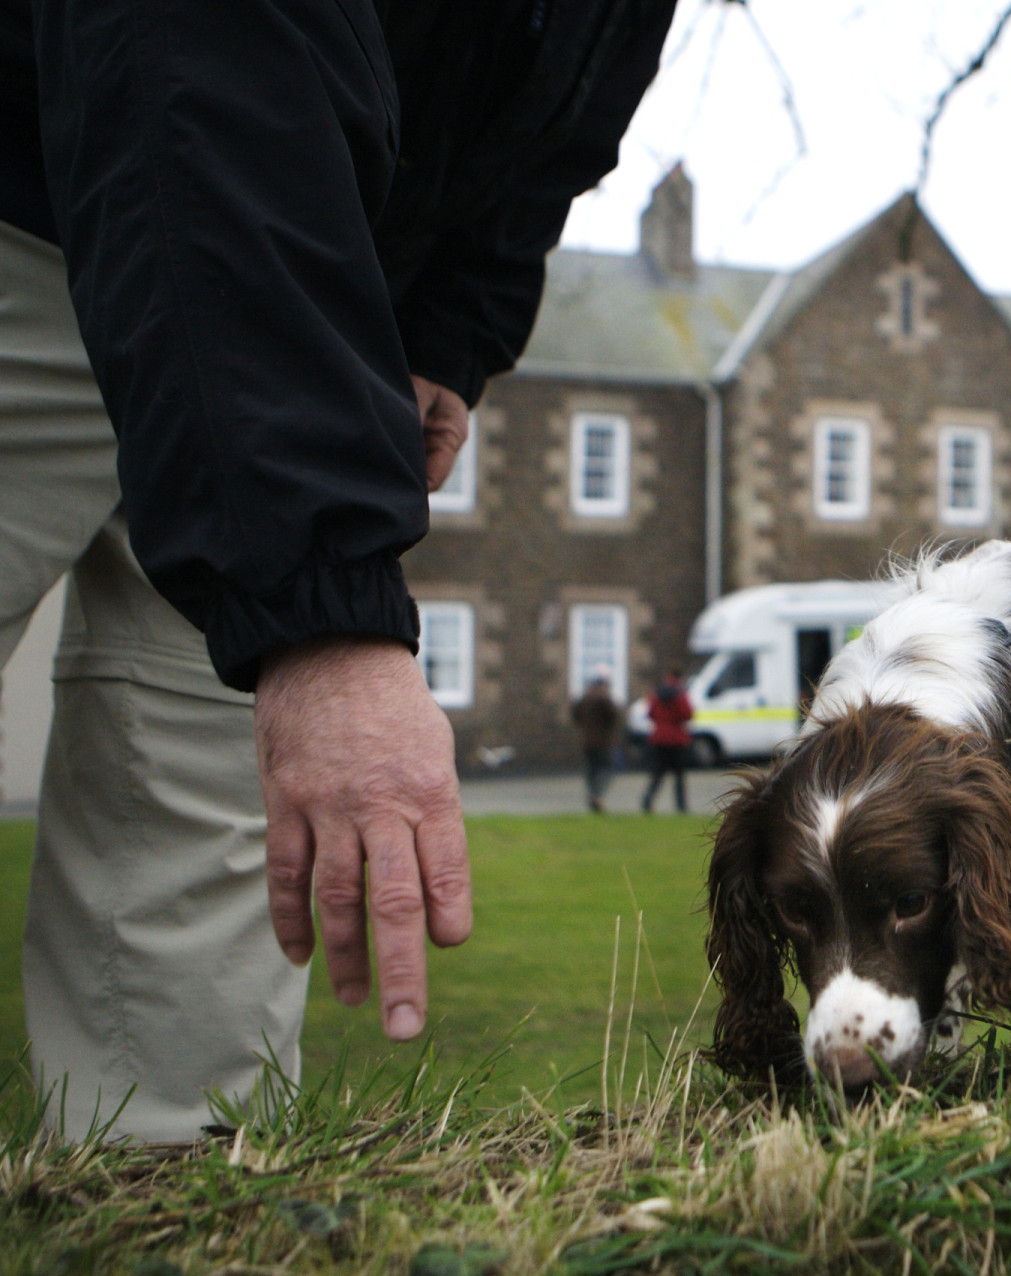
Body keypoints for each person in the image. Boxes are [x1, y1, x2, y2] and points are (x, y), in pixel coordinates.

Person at [0, 0, 679, 1140]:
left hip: (328, 302)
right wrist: (322, 607)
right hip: (34, 217)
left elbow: (555, 124)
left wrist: (438, 331)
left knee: (203, 793)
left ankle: (166, 1206)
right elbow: (205, 56)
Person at [641, 667, 695, 814]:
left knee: (657, 774)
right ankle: (681, 806)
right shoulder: (681, 694)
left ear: (668, 676)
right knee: (679, 777)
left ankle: (647, 801)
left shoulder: (656, 694)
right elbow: (688, 714)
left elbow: (650, 713)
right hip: (678, 739)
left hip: (658, 739)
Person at [571, 675, 623, 815]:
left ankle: (592, 795)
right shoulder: (604, 699)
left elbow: (575, 715)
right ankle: (597, 796)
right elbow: (613, 716)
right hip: (604, 741)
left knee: (591, 770)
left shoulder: (584, 700)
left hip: (586, 740)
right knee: (607, 769)